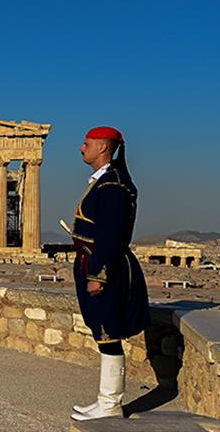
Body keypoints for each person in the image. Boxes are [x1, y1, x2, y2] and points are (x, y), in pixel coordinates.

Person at [69, 127, 150, 421]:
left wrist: (99, 275)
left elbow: (111, 233)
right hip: (93, 263)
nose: (81, 148)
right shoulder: (106, 181)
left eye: (86, 144)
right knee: (104, 334)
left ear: (102, 147)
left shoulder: (112, 184)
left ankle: (111, 404)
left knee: (108, 333)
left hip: (105, 268)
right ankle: (106, 401)